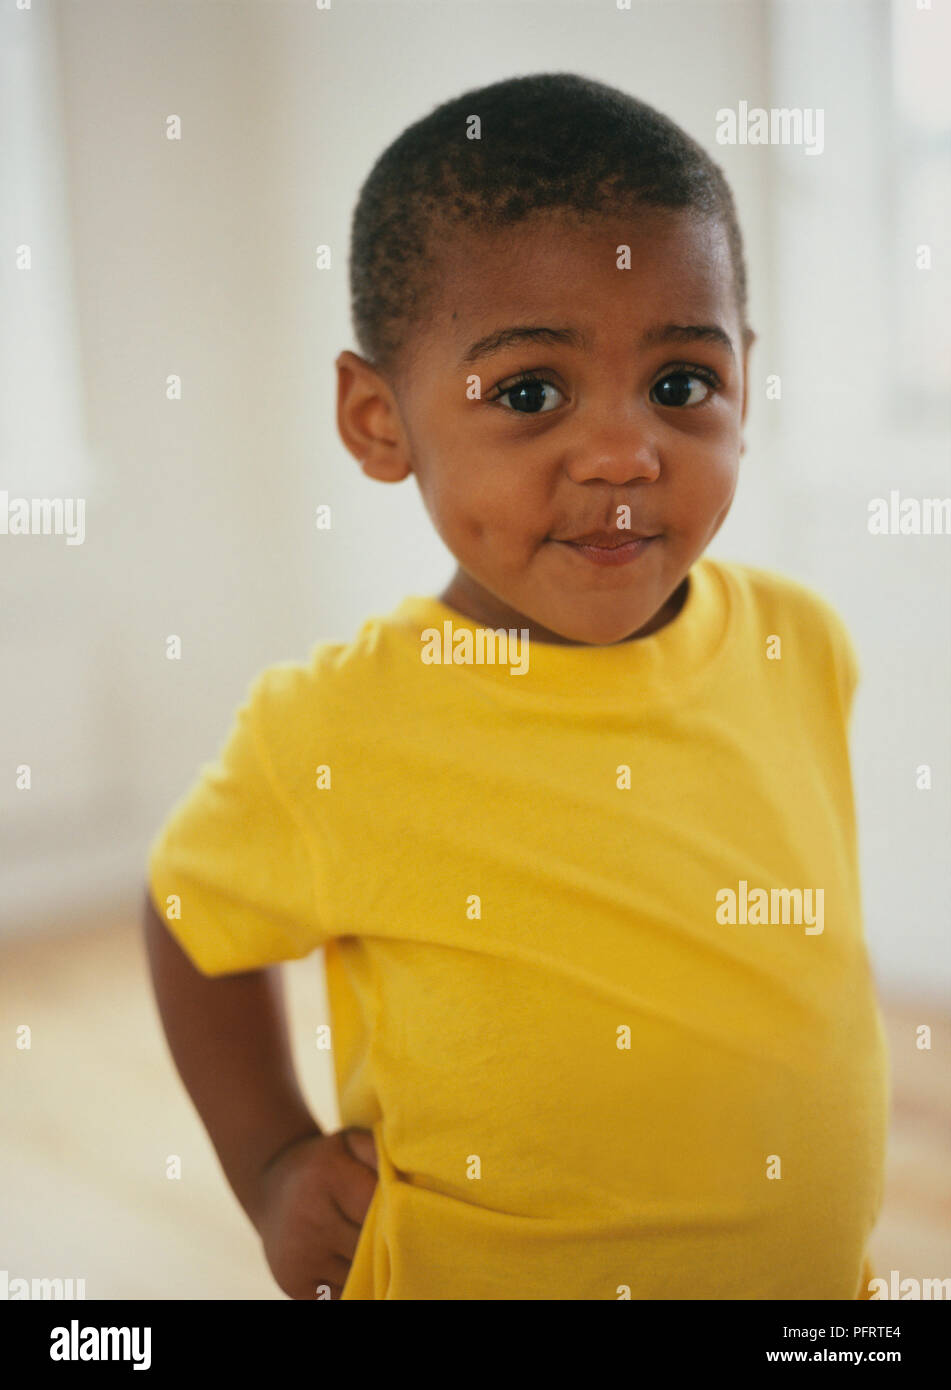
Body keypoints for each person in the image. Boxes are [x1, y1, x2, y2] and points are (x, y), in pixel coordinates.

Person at [144, 72, 888, 1300]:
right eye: (531, 392)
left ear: (744, 383)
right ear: (380, 421)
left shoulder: (798, 643)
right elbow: (186, 919)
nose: (622, 452)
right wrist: (272, 1160)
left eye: (680, 383)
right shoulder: (334, 729)